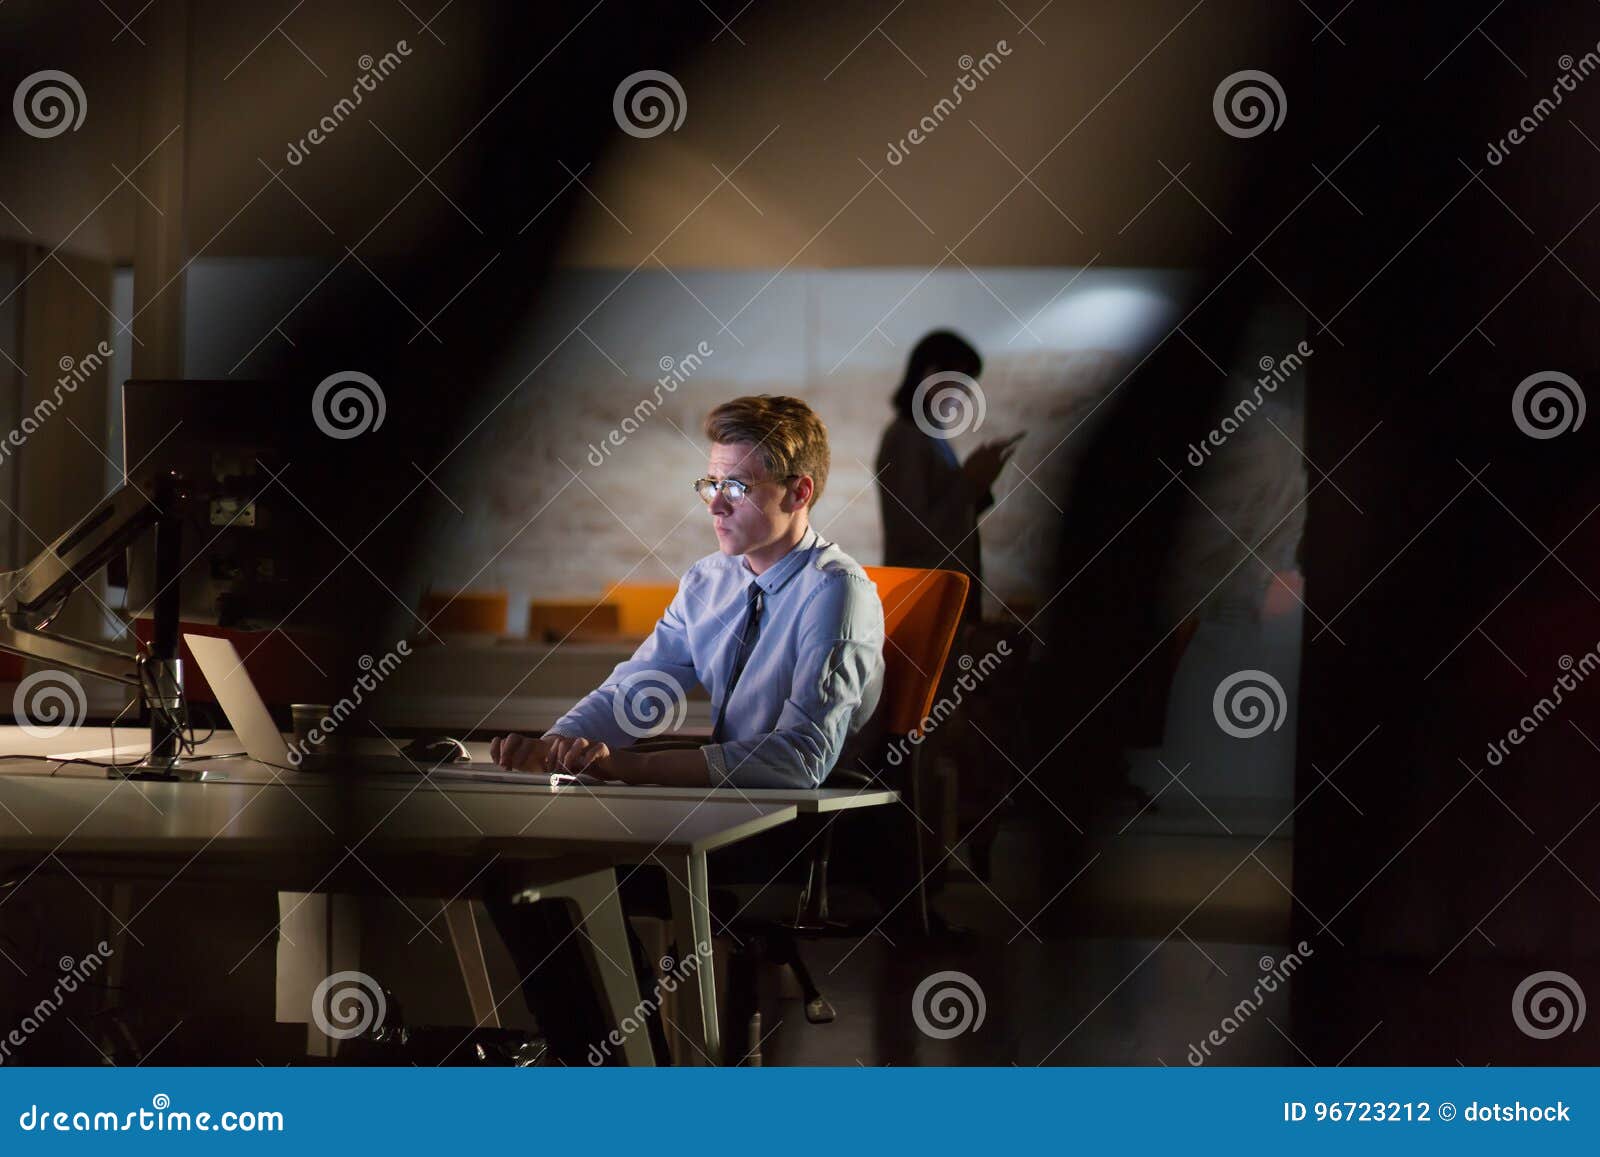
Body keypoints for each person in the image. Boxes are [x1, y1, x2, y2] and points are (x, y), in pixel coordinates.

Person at [490, 394, 885, 787]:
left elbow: (801, 759)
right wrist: (557, 745)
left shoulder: (837, 592)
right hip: (732, 801)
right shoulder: (706, 580)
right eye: (712, 485)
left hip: (819, 812)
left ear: (799, 493)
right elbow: (635, 693)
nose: (715, 506)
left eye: (737, 488)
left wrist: (632, 768)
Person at [875, 330, 1022, 622]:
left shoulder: (930, 435)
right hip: (922, 599)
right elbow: (913, 532)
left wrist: (978, 482)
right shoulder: (905, 438)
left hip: (940, 595)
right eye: (960, 383)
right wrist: (969, 482)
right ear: (931, 376)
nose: (964, 395)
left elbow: (949, 513)